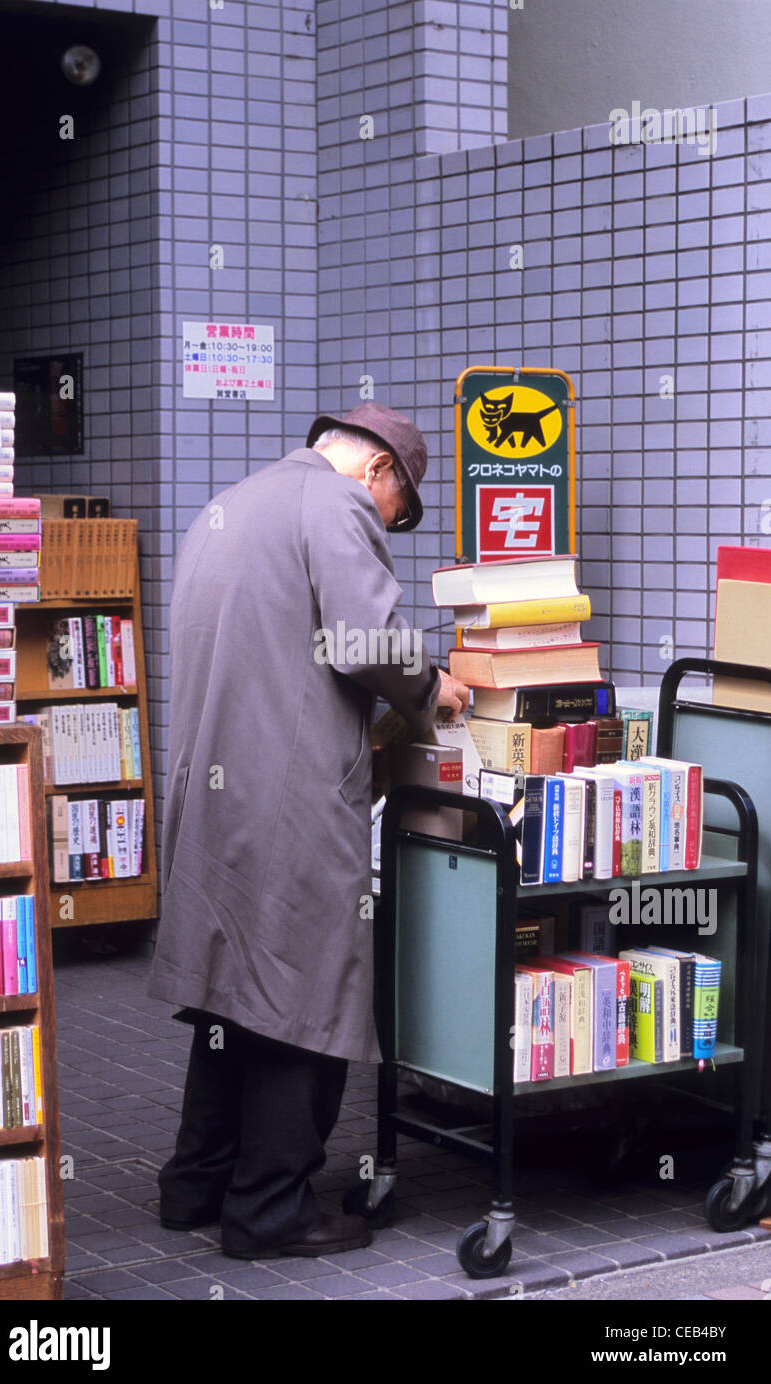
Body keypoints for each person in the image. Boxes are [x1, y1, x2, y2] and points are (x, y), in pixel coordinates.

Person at [147, 402, 470, 1259]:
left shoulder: (233, 502)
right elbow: (365, 639)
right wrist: (430, 685)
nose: (382, 527)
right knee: (305, 995)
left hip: (213, 790)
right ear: (377, 476)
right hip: (286, 796)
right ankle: (270, 1211)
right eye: (392, 518)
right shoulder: (334, 505)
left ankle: (196, 1184)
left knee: (230, 996)